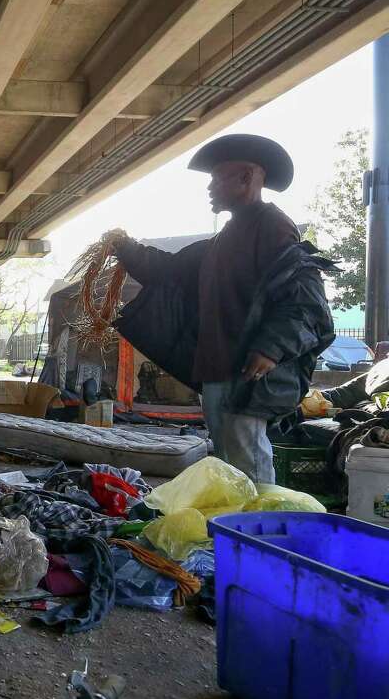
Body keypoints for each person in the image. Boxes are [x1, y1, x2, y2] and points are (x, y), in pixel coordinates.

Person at [110, 134, 334, 483]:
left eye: (218, 178)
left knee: (247, 459)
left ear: (246, 178)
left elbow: (304, 299)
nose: (210, 187)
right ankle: (235, 529)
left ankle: (261, 529)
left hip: (249, 372)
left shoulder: (272, 226)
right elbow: (170, 269)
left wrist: (271, 347)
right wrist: (125, 247)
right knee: (229, 461)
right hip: (218, 370)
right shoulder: (228, 235)